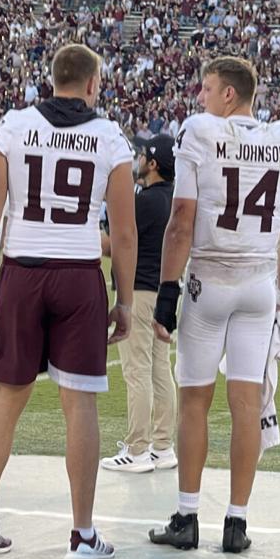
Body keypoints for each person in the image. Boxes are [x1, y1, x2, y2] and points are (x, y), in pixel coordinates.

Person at [0, 44, 137, 559]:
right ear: (94, 84)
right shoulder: (109, 137)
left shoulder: (11, 126)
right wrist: (124, 298)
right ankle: (81, 534)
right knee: (80, 403)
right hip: (77, 274)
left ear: (51, 80)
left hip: (21, 269)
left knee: (6, 398)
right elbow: (123, 232)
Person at [148, 56, 280, 554]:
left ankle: (188, 516)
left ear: (229, 96)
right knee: (246, 405)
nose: (200, 97)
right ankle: (236, 523)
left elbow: (181, 220)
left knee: (194, 398)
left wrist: (167, 290)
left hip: (209, 282)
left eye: (207, 88)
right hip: (259, 286)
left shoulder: (201, 135)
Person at [100, 134, 179, 474]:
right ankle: (162, 445)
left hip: (142, 291)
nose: (138, 158)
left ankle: (137, 449)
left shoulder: (146, 201)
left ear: (154, 163)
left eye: (143, 154)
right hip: (163, 292)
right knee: (160, 369)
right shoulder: (172, 198)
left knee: (137, 371)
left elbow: (115, 243)